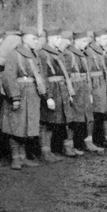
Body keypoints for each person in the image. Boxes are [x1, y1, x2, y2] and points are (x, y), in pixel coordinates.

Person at [0, 27, 45, 170]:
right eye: (33, 38)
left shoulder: (34, 55)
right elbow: (9, 77)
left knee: (27, 126)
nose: (36, 41)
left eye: (37, 39)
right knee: (16, 125)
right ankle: (15, 158)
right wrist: (15, 97)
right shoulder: (14, 54)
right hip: (20, 92)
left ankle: (23, 157)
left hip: (32, 94)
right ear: (24, 39)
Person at [38, 28, 77, 160]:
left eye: (60, 38)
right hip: (51, 90)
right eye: (56, 38)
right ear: (49, 38)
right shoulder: (43, 54)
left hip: (61, 89)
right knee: (47, 121)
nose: (58, 41)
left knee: (61, 120)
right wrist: (47, 96)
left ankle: (57, 149)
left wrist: (69, 92)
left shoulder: (58, 53)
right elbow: (43, 76)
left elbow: (65, 75)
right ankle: (45, 152)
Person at [64, 30, 101, 153]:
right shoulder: (68, 54)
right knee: (72, 117)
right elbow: (66, 75)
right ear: (75, 41)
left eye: (86, 41)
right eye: (83, 41)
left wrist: (89, 90)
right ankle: (69, 146)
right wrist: (69, 92)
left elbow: (87, 73)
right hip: (75, 89)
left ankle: (87, 142)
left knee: (87, 116)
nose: (85, 44)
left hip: (84, 88)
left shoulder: (83, 54)